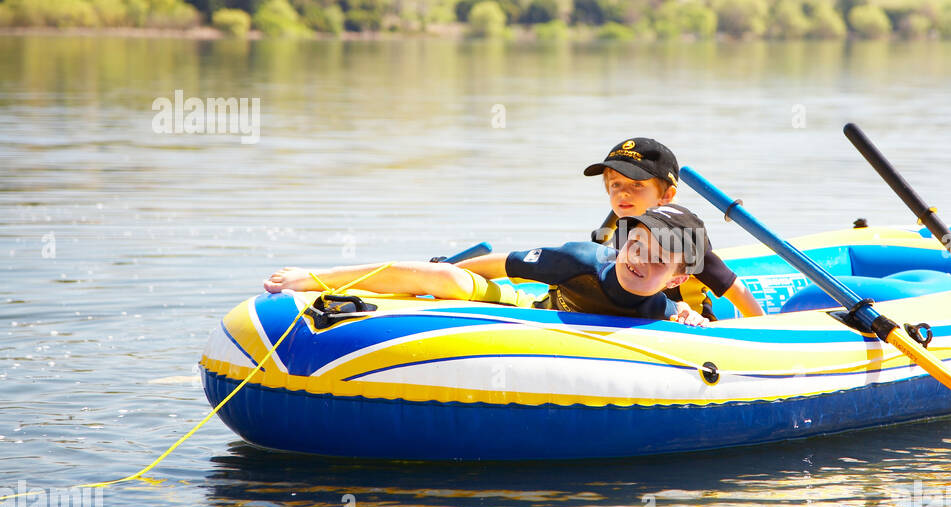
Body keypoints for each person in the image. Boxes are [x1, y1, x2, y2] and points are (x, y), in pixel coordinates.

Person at [263, 204, 712, 326]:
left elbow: (680, 316)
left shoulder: (665, 312)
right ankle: (317, 275)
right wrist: (457, 270)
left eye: (657, 259)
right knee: (442, 278)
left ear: (677, 277)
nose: (638, 261)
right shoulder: (579, 260)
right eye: (637, 244)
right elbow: (502, 264)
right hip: (528, 308)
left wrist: (690, 317)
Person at [582, 137, 764, 319]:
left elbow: (733, 288)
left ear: (667, 195)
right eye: (615, 184)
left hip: (691, 325)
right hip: (641, 317)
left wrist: (763, 330)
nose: (623, 192)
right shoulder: (622, 228)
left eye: (637, 184)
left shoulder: (683, 235)